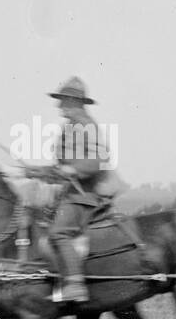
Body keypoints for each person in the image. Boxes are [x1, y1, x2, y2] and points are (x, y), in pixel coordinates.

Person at [44, 77, 123, 302]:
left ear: (74, 102)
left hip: (84, 196)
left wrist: (73, 170)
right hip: (70, 192)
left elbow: (100, 157)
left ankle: (75, 285)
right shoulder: (71, 126)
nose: (59, 106)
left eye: (63, 101)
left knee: (58, 232)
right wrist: (44, 172)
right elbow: (64, 164)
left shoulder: (86, 124)